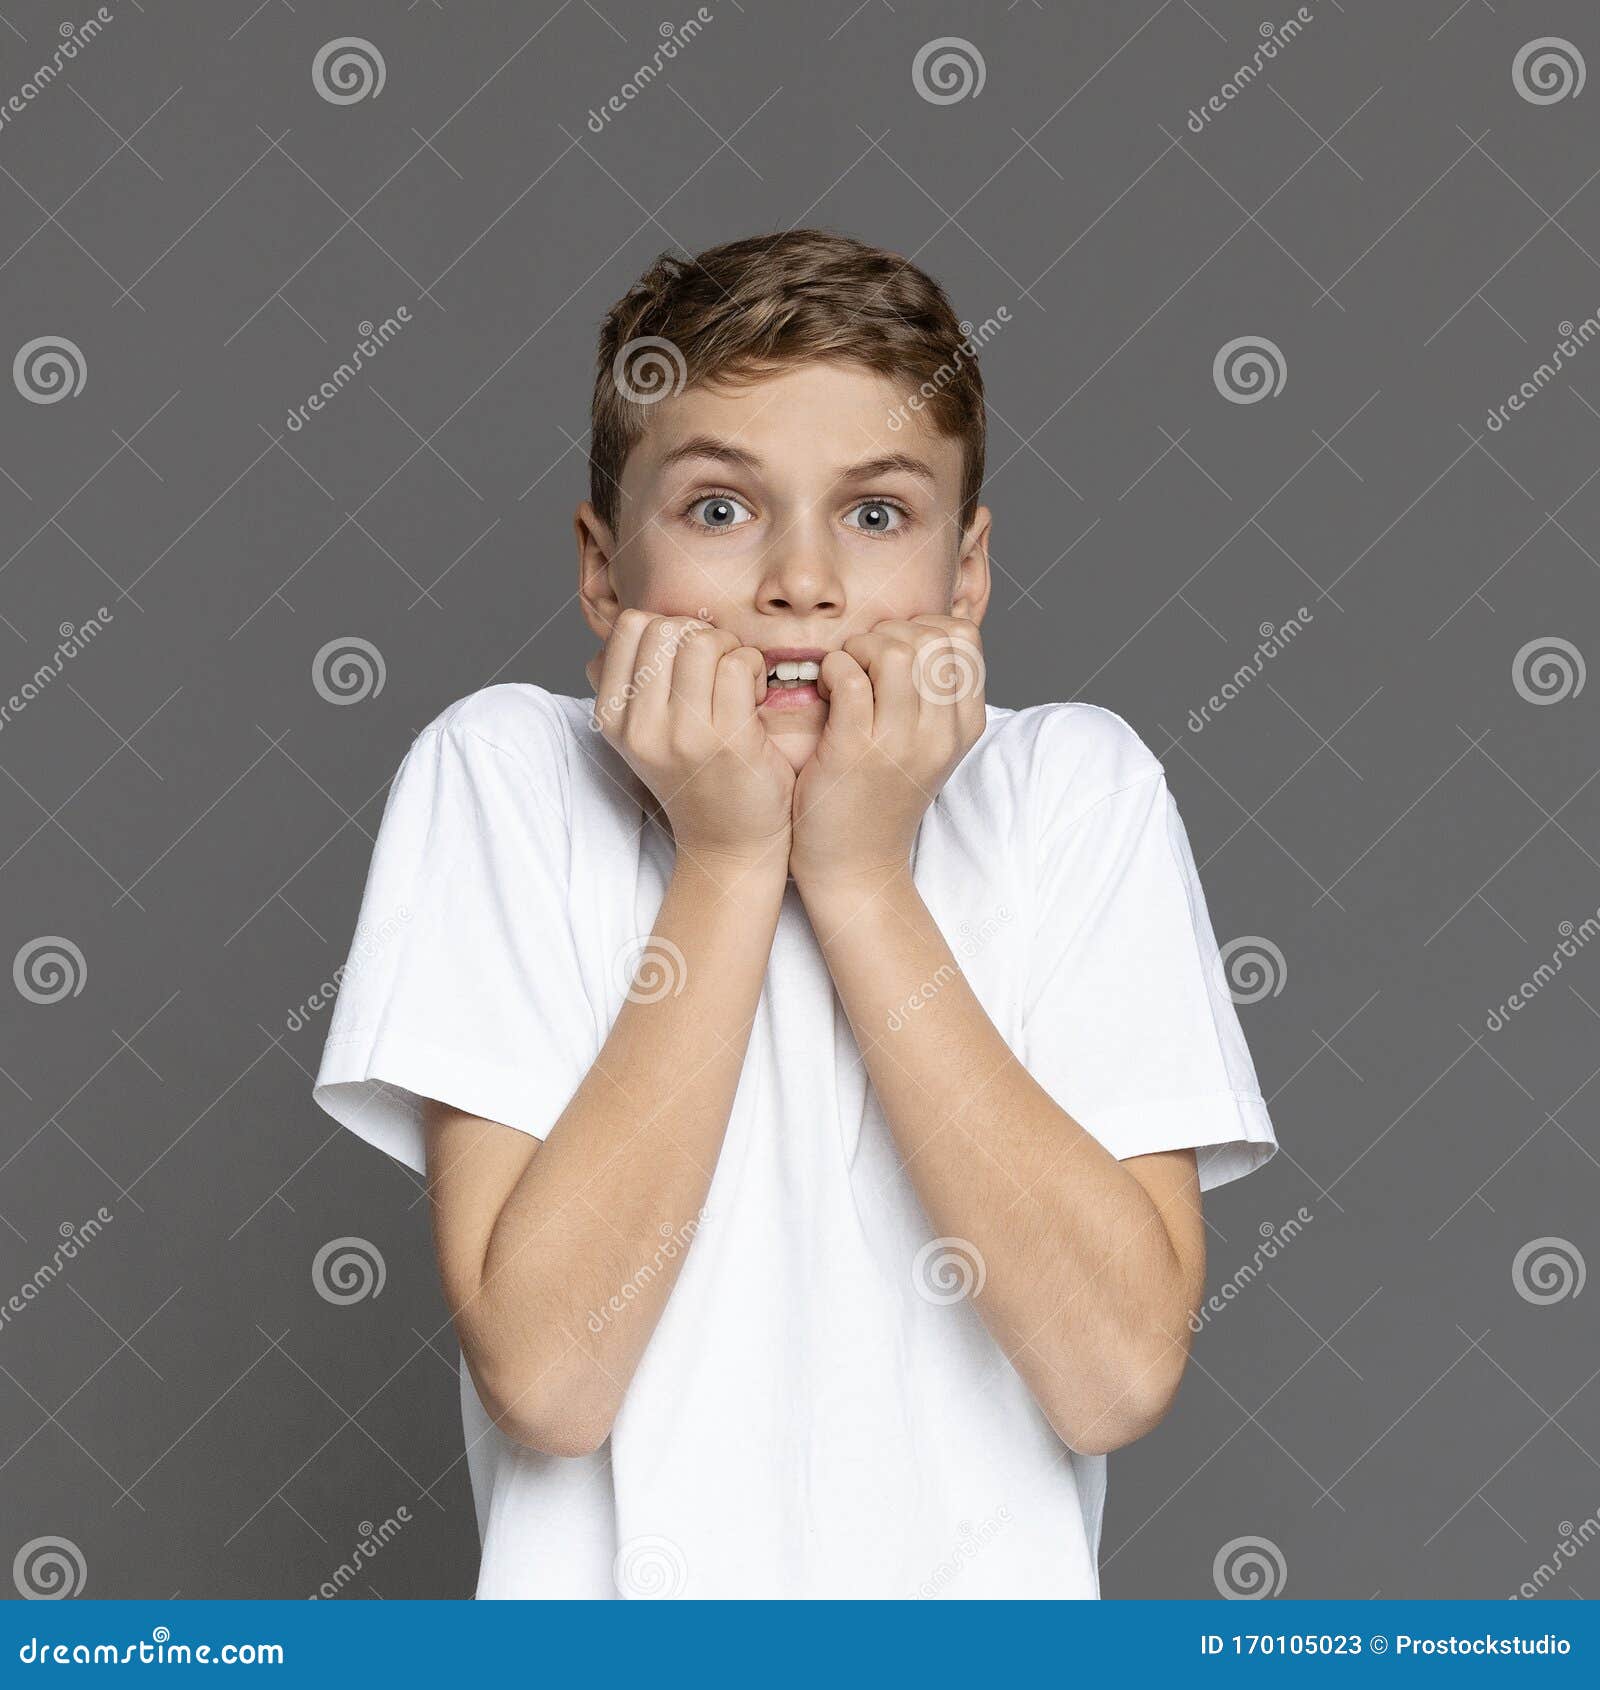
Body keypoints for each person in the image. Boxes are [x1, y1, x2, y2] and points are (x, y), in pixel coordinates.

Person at [312, 228, 1279, 1600]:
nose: (801, 583)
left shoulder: (1075, 790)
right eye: (720, 509)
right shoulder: (505, 777)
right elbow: (551, 1378)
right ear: (602, 567)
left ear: (967, 572)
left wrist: (863, 877)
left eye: (876, 515)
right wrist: (724, 860)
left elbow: (1114, 1373)